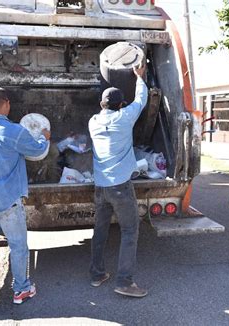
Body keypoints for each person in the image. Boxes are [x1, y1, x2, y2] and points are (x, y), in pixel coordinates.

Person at [0, 87, 50, 314]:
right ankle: (21, 290)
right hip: (7, 200)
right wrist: (44, 138)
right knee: (18, 246)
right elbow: (36, 152)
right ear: (6, 103)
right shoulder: (14, 131)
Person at [88, 64, 148, 298]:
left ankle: (97, 274)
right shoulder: (124, 118)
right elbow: (141, 100)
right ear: (120, 105)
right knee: (130, 231)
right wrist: (139, 78)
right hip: (120, 187)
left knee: (100, 230)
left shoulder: (93, 122)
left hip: (100, 187)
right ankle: (124, 281)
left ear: (102, 104)